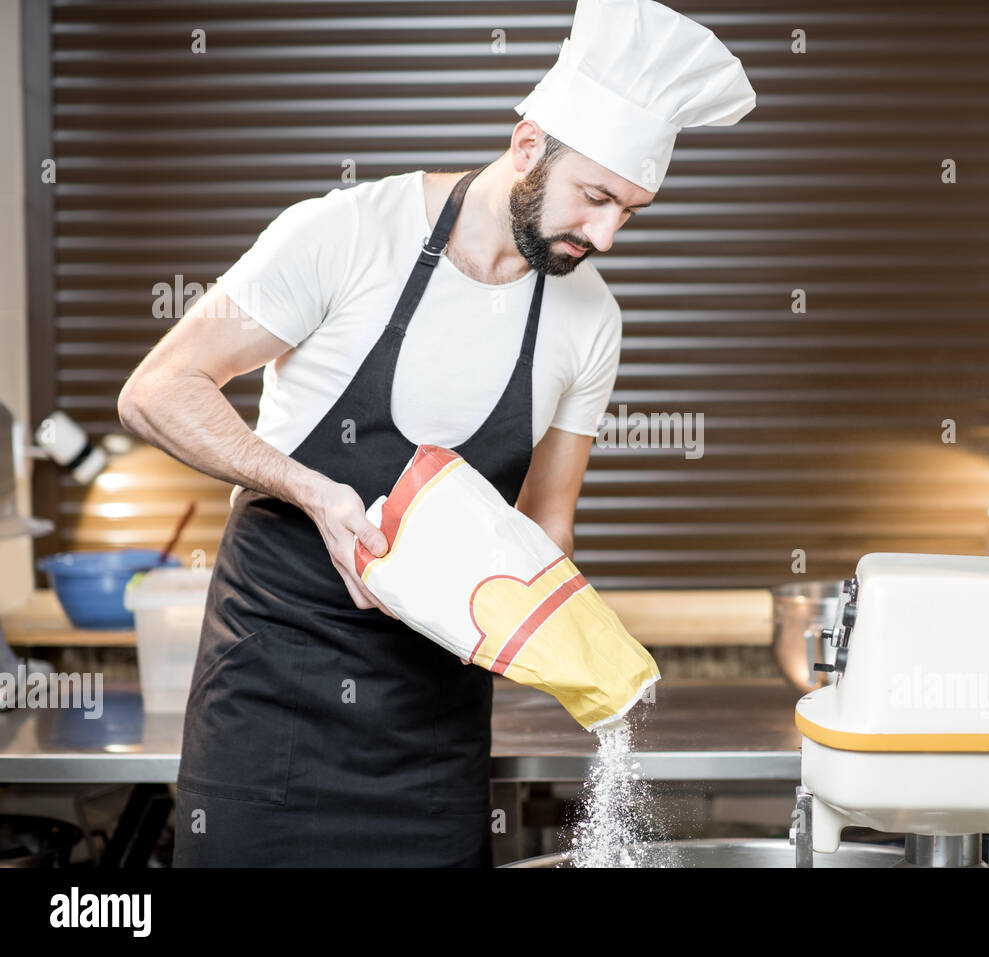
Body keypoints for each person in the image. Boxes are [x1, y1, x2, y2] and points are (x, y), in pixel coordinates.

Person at [117, 0, 755, 866]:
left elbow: (547, 525)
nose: (604, 235)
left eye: (630, 212)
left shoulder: (590, 318)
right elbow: (156, 390)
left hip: (431, 737)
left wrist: (577, 653)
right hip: (272, 709)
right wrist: (313, 489)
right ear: (528, 146)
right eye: (596, 196)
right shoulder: (344, 233)